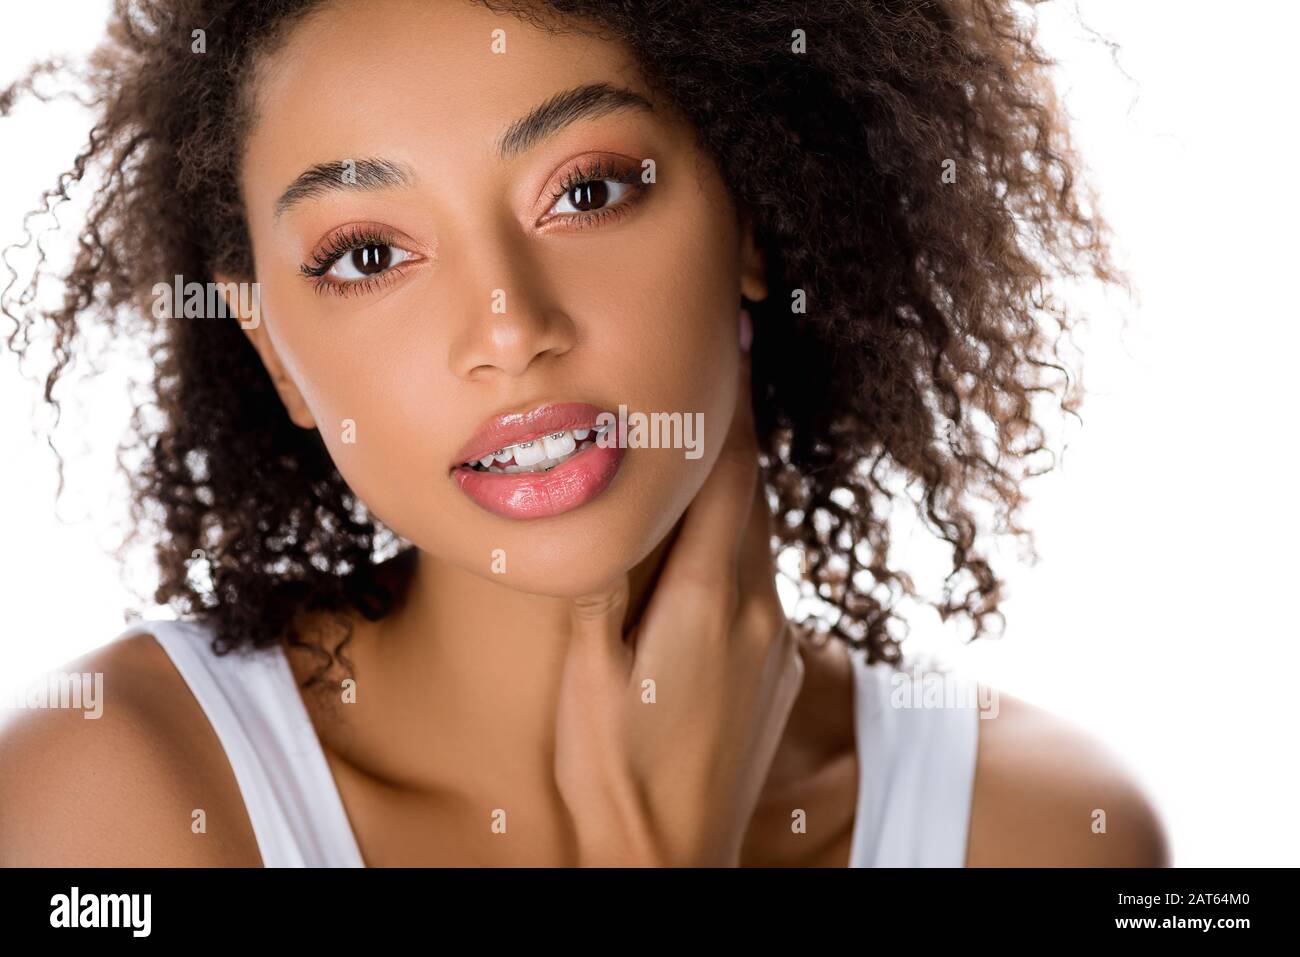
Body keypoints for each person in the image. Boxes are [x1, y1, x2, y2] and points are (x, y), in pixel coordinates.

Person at [0, 0, 1169, 867]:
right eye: (368, 254)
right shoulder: (110, 796)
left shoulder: (1040, 832)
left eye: (588, 192)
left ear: (749, 216)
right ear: (268, 347)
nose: (510, 329)